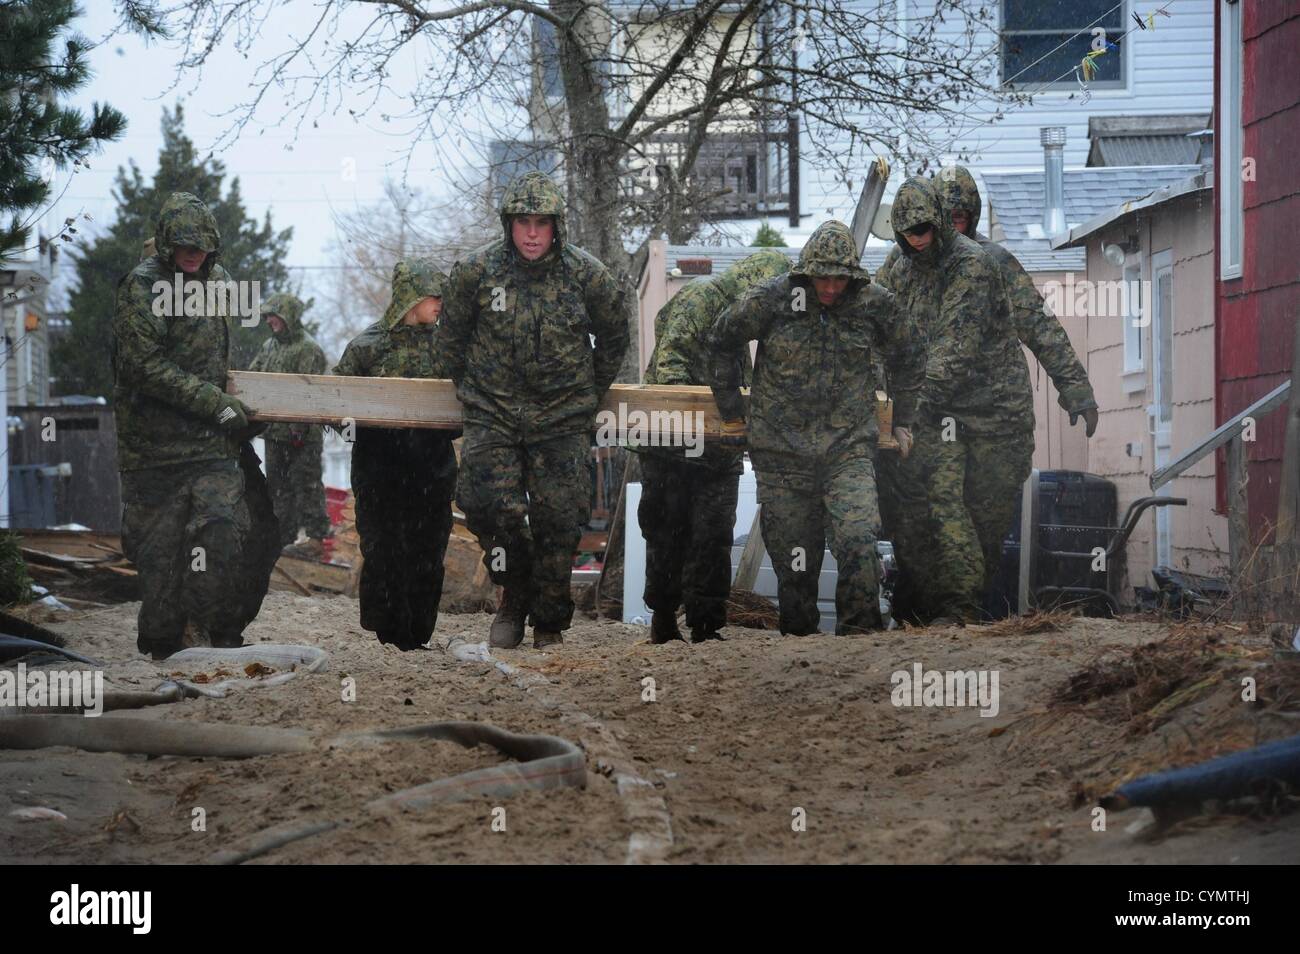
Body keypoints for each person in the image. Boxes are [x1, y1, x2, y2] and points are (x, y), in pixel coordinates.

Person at [441, 171, 631, 650]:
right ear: (508, 224)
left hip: (562, 417)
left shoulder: (587, 275)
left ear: (556, 227)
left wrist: (589, 392)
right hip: (494, 415)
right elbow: (449, 340)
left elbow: (614, 338)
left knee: (559, 521)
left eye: (541, 223)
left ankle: (548, 622)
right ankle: (512, 597)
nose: (531, 233)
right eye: (522, 222)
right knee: (486, 507)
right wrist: (472, 390)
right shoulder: (476, 273)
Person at [708, 221, 922, 636]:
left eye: (839, 278)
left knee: (858, 538)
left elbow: (910, 354)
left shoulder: (874, 304)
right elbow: (722, 336)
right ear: (806, 273)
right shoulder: (773, 298)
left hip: (848, 451)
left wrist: (904, 419)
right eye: (821, 278)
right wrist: (731, 405)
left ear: (852, 277)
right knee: (795, 561)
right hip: (783, 456)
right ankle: (801, 645)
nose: (829, 287)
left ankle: (860, 636)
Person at [113, 191, 261, 659]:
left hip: (211, 449)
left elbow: (220, 360)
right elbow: (142, 366)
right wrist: (213, 402)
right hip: (154, 453)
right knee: (160, 567)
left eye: (200, 245)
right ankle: (168, 638)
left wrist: (243, 407)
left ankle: (209, 629)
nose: (192, 253)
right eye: (183, 244)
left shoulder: (220, 283)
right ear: (165, 245)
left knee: (221, 531)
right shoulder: (142, 286)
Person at [882, 176, 1030, 623]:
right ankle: (936, 607)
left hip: (990, 415)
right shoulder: (898, 266)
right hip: (937, 413)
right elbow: (874, 319)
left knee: (980, 522)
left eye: (924, 230)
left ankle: (963, 610)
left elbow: (952, 351)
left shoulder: (976, 264)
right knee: (933, 504)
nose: (917, 241)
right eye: (908, 233)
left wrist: (1075, 388)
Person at [638, 250, 792, 644]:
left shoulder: (737, 317)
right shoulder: (702, 299)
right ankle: (665, 617)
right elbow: (670, 367)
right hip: (672, 448)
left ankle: (707, 623)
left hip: (717, 451)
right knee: (668, 532)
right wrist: (692, 422)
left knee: (714, 535)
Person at [334, 258, 458, 651]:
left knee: (428, 549)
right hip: (380, 466)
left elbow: (467, 402)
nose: (440, 303)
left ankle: (417, 634)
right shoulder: (367, 348)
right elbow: (334, 403)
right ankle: (388, 630)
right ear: (411, 297)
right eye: (432, 295)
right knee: (383, 547)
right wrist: (365, 427)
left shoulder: (448, 348)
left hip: (431, 467)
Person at [248, 293, 332, 556]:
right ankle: (283, 538)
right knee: (278, 488)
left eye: (274, 314)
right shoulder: (269, 346)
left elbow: (310, 392)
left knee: (307, 485)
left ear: (288, 317)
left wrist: (300, 426)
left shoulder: (308, 349)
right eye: (267, 315)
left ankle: (316, 539)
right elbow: (253, 377)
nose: (269, 320)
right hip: (275, 432)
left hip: (302, 433)